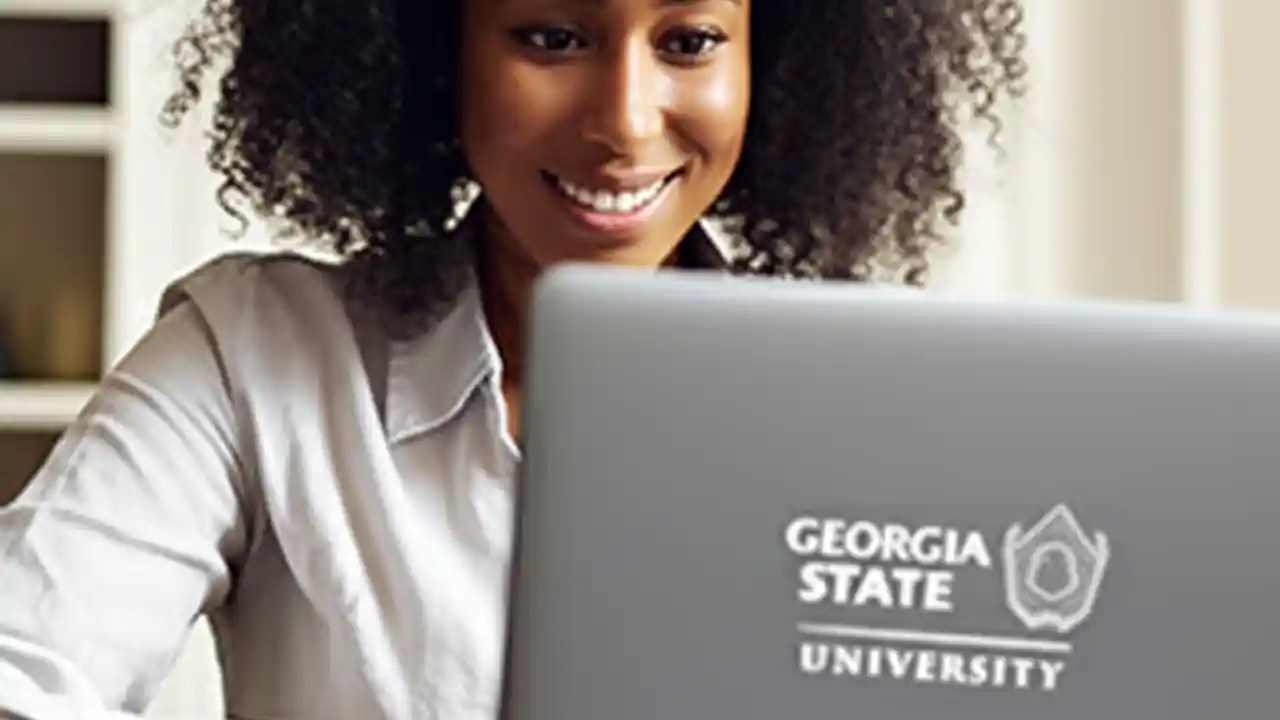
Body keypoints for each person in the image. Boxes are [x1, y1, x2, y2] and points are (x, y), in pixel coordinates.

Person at [0, 1, 1026, 717]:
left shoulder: (872, 412)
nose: (623, 121)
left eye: (689, 41)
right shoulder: (251, 358)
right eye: (552, 37)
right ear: (441, 50)